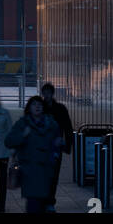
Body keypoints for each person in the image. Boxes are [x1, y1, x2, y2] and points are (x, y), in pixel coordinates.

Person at [4, 95, 63, 215]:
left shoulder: (52, 124)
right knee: (33, 204)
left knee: (42, 204)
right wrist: (23, 136)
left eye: (40, 105)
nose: (37, 107)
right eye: (34, 104)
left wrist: (57, 147)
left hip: (46, 171)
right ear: (29, 108)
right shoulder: (23, 123)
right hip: (29, 171)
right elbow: (9, 141)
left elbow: (58, 141)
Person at [40, 82, 73, 212]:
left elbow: (68, 127)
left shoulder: (60, 108)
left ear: (52, 94)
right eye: (45, 93)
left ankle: (49, 201)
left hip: (55, 148)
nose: (47, 95)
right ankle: (44, 200)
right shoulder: (39, 107)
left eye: (48, 93)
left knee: (53, 176)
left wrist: (67, 145)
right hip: (41, 148)